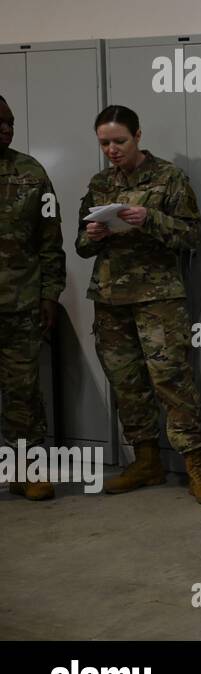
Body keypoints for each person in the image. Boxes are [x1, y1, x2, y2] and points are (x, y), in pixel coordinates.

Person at [76, 105, 201, 504]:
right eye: (104, 143)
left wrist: (151, 219)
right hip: (110, 299)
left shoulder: (169, 178)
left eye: (119, 141)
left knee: (171, 381)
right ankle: (145, 461)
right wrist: (94, 233)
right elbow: (80, 245)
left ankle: (198, 467)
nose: (112, 150)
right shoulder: (100, 183)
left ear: (138, 136)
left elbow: (192, 236)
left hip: (159, 299)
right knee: (127, 384)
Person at [0, 94, 66, 500]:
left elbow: (50, 241)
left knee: (23, 393)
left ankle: (28, 471)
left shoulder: (30, 173)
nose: (7, 129)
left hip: (19, 304)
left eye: (10, 122)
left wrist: (50, 294)